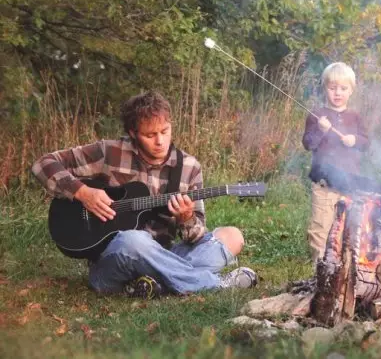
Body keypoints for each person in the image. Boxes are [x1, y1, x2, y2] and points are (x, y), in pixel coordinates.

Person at [32, 91, 257, 298]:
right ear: (133, 132)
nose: (160, 141)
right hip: (113, 263)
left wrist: (186, 218)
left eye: (164, 131)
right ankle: (214, 284)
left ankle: (151, 283)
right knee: (135, 240)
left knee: (232, 236)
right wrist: (82, 192)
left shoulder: (189, 167)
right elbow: (44, 163)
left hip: (165, 253)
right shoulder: (109, 152)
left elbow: (195, 237)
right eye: (150, 134)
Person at [302, 62, 370, 262]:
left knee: (346, 225)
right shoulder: (317, 116)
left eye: (343, 88)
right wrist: (321, 131)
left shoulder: (355, 117)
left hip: (349, 183)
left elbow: (366, 143)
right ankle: (319, 263)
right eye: (332, 88)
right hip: (323, 183)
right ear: (325, 89)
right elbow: (308, 143)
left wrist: (354, 140)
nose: (337, 93)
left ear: (351, 91)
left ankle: (343, 262)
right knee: (321, 225)